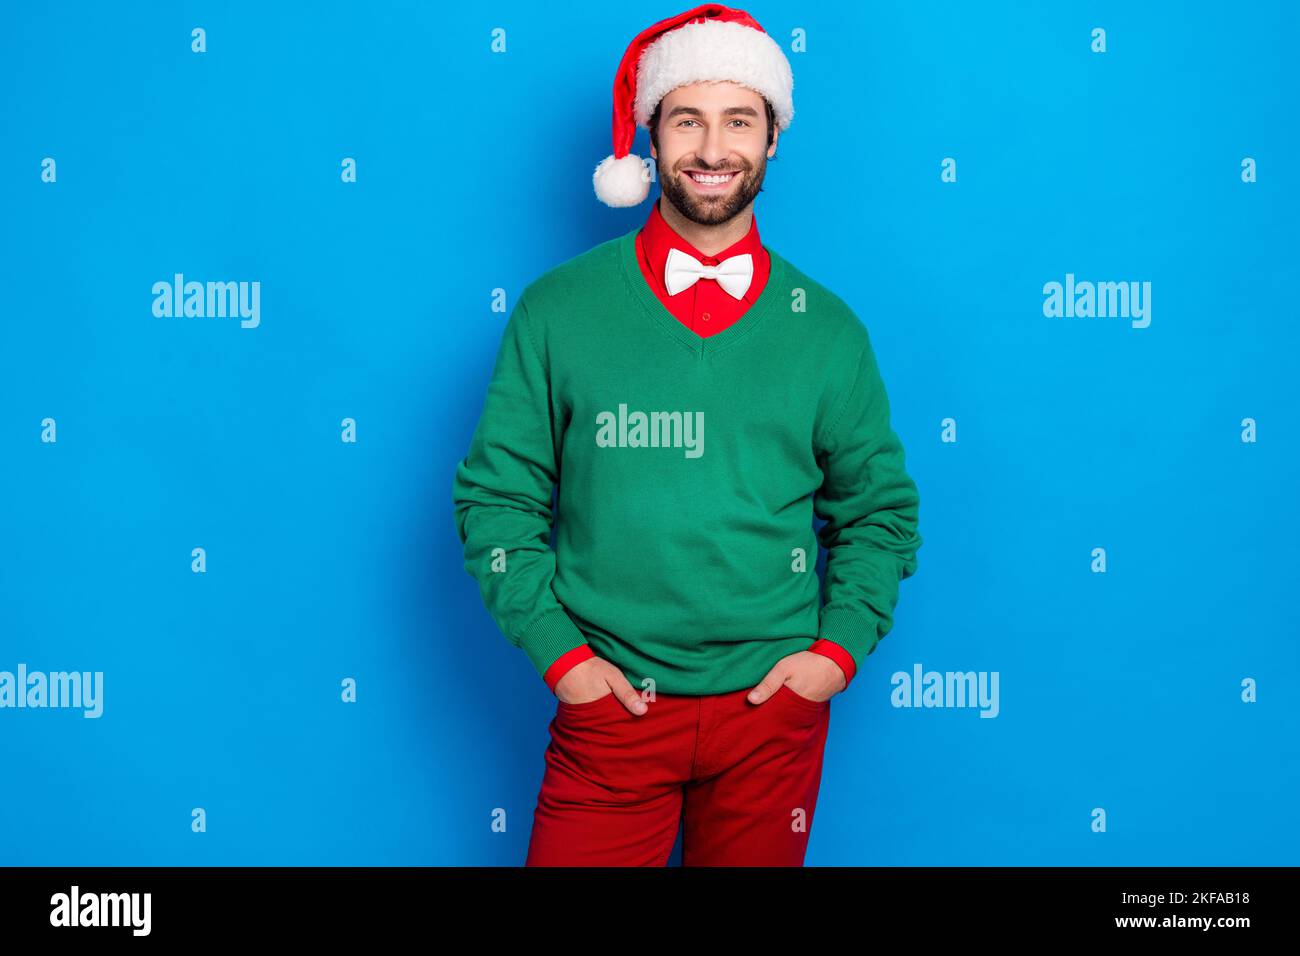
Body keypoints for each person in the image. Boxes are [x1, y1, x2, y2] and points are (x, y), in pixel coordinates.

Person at [451, 3, 922, 866]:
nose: (712, 150)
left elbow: (879, 515)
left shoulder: (828, 330)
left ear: (773, 136)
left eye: (738, 121)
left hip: (770, 724)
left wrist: (833, 656)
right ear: (650, 139)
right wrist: (564, 663)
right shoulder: (559, 309)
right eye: (687, 121)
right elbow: (496, 503)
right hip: (610, 715)